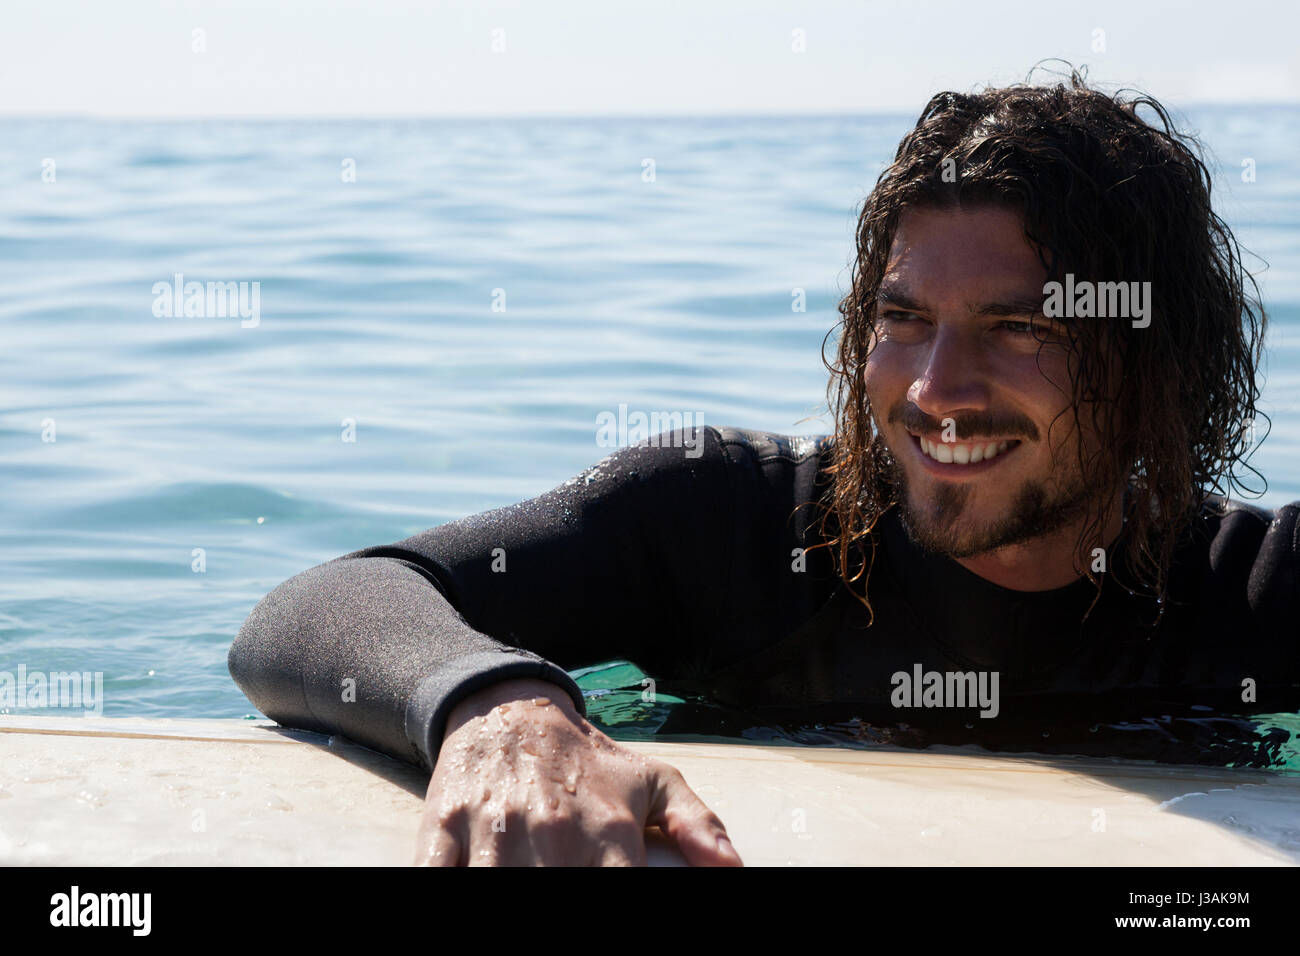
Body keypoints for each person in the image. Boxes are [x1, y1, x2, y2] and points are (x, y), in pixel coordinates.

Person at [228, 70, 1300, 866]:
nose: (935, 388)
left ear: (1157, 353)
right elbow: (314, 606)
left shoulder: (1257, 591)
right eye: (902, 318)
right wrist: (504, 707)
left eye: (1017, 326)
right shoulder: (727, 526)